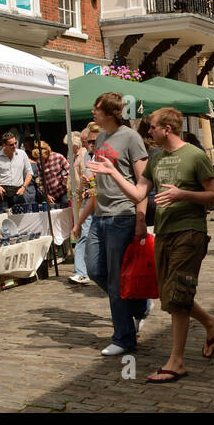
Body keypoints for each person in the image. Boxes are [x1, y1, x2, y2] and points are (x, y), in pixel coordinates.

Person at [106, 107, 214, 383]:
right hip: (163, 232)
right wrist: (112, 173)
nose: (149, 132)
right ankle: (212, 322)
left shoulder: (195, 156)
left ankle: (177, 362)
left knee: (178, 295)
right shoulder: (156, 160)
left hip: (190, 233)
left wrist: (182, 194)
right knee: (169, 293)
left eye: (152, 128)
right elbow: (138, 193)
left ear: (167, 129)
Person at [82, 92, 150, 356]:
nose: (93, 113)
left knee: (115, 280)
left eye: (97, 109)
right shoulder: (100, 137)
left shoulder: (131, 137)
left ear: (111, 113)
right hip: (101, 214)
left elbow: (143, 182)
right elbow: (100, 182)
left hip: (122, 215)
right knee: (94, 269)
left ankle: (124, 338)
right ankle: (139, 306)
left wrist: (140, 217)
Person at [69, 124, 101, 285]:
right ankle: (81, 272)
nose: (88, 145)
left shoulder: (107, 155)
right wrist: (85, 184)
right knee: (83, 235)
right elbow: (86, 181)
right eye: (86, 142)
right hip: (89, 199)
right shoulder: (87, 155)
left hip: (104, 203)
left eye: (91, 141)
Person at [0, 130, 34, 205]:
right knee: (3, 216)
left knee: (20, 215)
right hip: (2, 191)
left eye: (15, 143)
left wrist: (24, 187)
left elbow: (29, 172)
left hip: (19, 191)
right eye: (11, 145)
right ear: (4, 145)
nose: (14, 146)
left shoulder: (22, 154)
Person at [31, 140, 70, 206]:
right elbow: (41, 181)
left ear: (47, 151)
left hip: (63, 192)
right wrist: (46, 195)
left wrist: (66, 179)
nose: (41, 160)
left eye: (42, 157)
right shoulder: (39, 162)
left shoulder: (58, 157)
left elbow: (71, 172)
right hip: (51, 196)